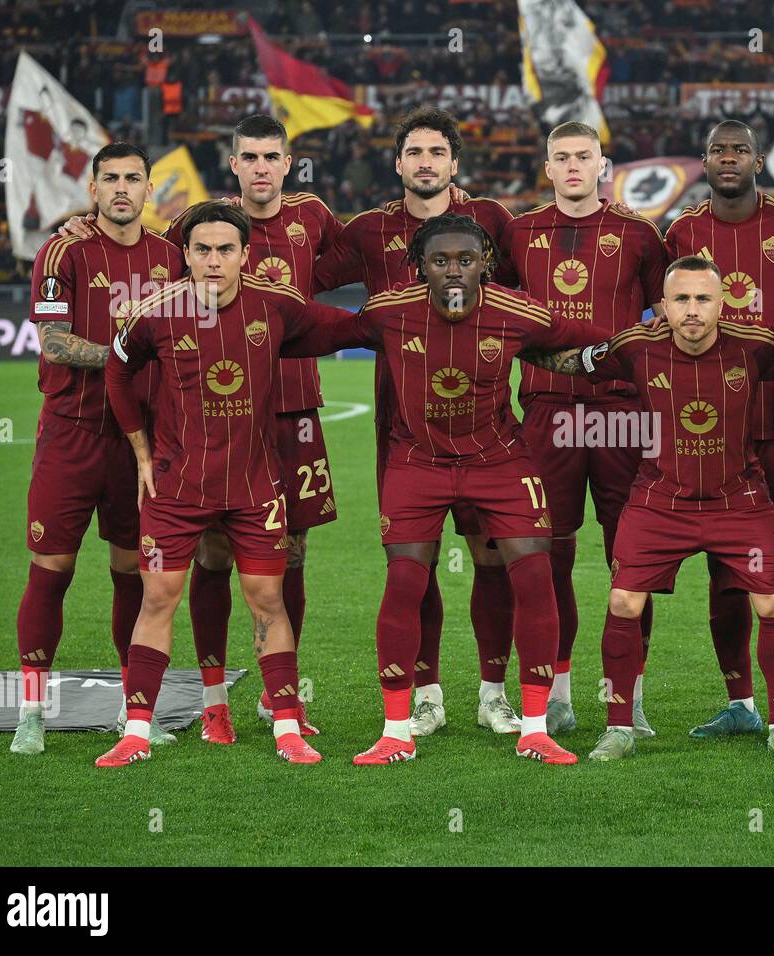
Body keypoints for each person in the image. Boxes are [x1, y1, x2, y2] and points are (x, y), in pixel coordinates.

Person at [283, 214, 615, 766]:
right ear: (420, 268)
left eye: (465, 259)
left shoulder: (517, 312)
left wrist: (638, 351)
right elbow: (318, 329)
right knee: (405, 580)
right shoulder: (389, 312)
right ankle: (396, 730)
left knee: (533, 575)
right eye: (440, 261)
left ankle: (534, 726)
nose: (454, 271)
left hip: (499, 461)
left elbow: (593, 343)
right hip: (419, 463)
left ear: (486, 261)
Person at [62, 114, 343, 743]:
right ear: (235, 164)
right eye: (251, 156)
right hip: (190, 458)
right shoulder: (186, 251)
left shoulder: (314, 222)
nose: (263, 166)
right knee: (196, 572)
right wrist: (94, 223)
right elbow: (119, 356)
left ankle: (281, 712)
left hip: (286, 423)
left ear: (288, 162)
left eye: (274, 155)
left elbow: (362, 278)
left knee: (286, 564)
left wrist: (437, 281)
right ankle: (208, 703)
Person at [521, 256, 774, 762]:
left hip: (739, 501)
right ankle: (619, 726)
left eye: (703, 299)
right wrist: (507, 340)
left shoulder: (757, 346)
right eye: (681, 299)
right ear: (665, 305)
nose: (692, 310)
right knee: (623, 603)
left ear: (723, 303)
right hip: (659, 502)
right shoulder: (635, 346)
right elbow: (573, 360)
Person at [313, 106, 522, 737]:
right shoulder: (371, 229)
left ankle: (493, 691)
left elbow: (526, 296)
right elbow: (306, 279)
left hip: (486, 421)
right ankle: (426, 692)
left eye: (437, 152)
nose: (425, 162)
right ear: (398, 163)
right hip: (403, 423)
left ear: (455, 163)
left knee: (493, 555)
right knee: (416, 560)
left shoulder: (492, 222)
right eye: (414, 153)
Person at [11, 143, 183, 756]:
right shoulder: (64, 250)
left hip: (140, 440)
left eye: (132, 178)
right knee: (51, 570)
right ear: (92, 188)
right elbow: (55, 343)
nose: (120, 188)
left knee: (134, 574)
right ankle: (31, 711)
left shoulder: (173, 257)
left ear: (147, 189)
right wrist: (126, 352)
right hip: (71, 432)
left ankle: (134, 713)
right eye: (109, 178)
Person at [498, 120, 669, 736]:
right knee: (548, 558)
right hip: (549, 411)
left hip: (623, 412)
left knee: (633, 558)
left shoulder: (639, 234)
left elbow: (667, 317)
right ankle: (560, 691)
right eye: (562, 157)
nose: (573, 166)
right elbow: (501, 318)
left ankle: (633, 699)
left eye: (584, 157)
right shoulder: (519, 234)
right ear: (547, 166)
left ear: (604, 165)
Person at [664, 121, 774, 747]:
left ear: (759, 159)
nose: (728, 158)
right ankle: (740, 702)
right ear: (704, 161)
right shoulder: (682, 231)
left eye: (739, 150)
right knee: (724, 569)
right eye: (717, 150)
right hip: (705, 423)